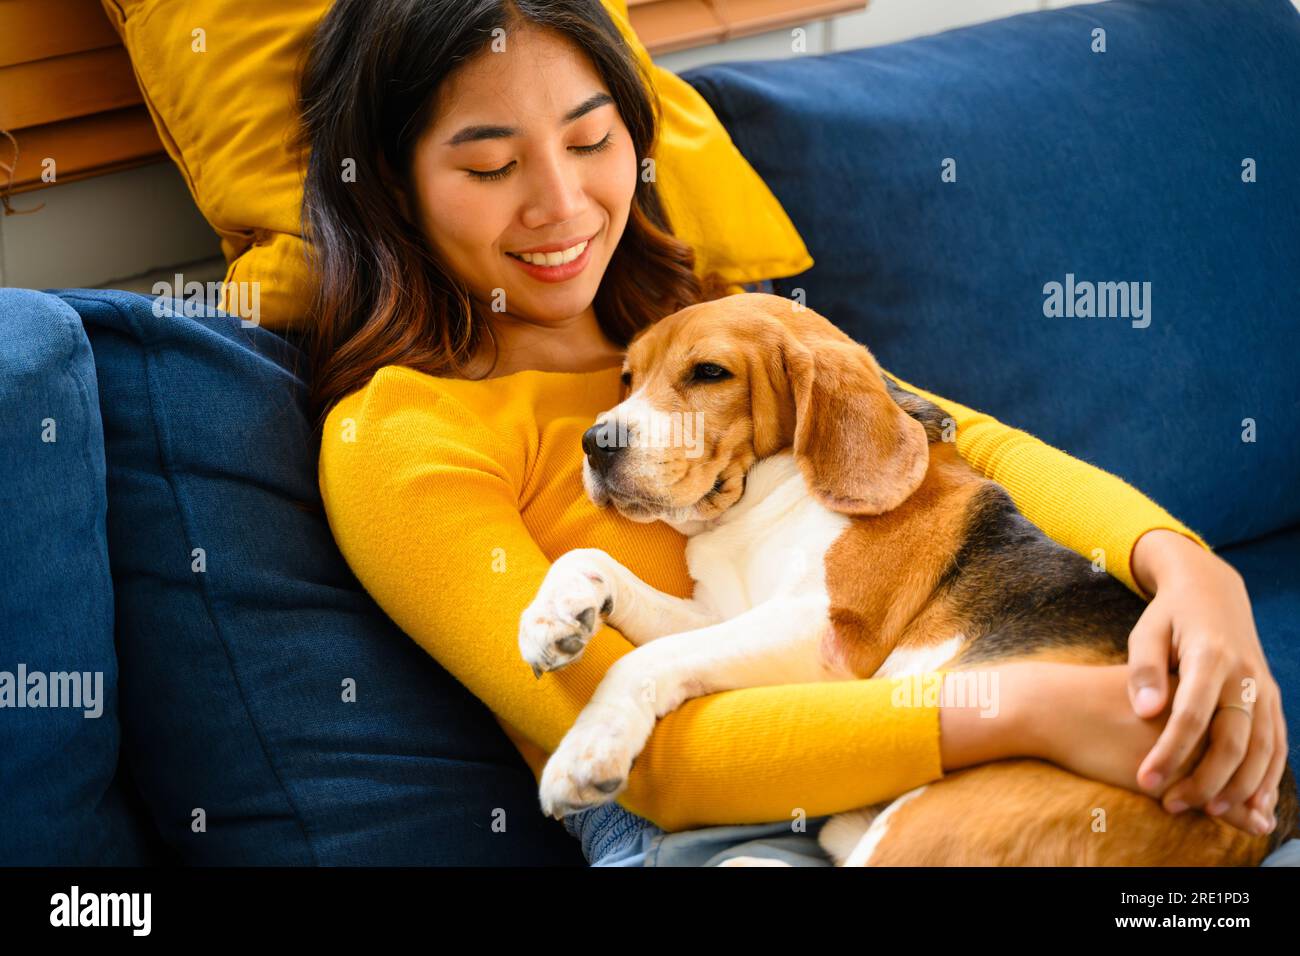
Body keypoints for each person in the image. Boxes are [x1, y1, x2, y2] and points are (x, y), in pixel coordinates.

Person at [300, 0, 1286, 865]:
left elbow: (974, 445)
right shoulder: (395, 434)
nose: (560, 203)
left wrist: (1192, 575)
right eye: (491, 163)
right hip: (706, 813)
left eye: (591, 142)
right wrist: (1025, 709)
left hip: (949, 748)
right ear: (390, 183)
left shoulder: (718, 324)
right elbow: (654, 763)